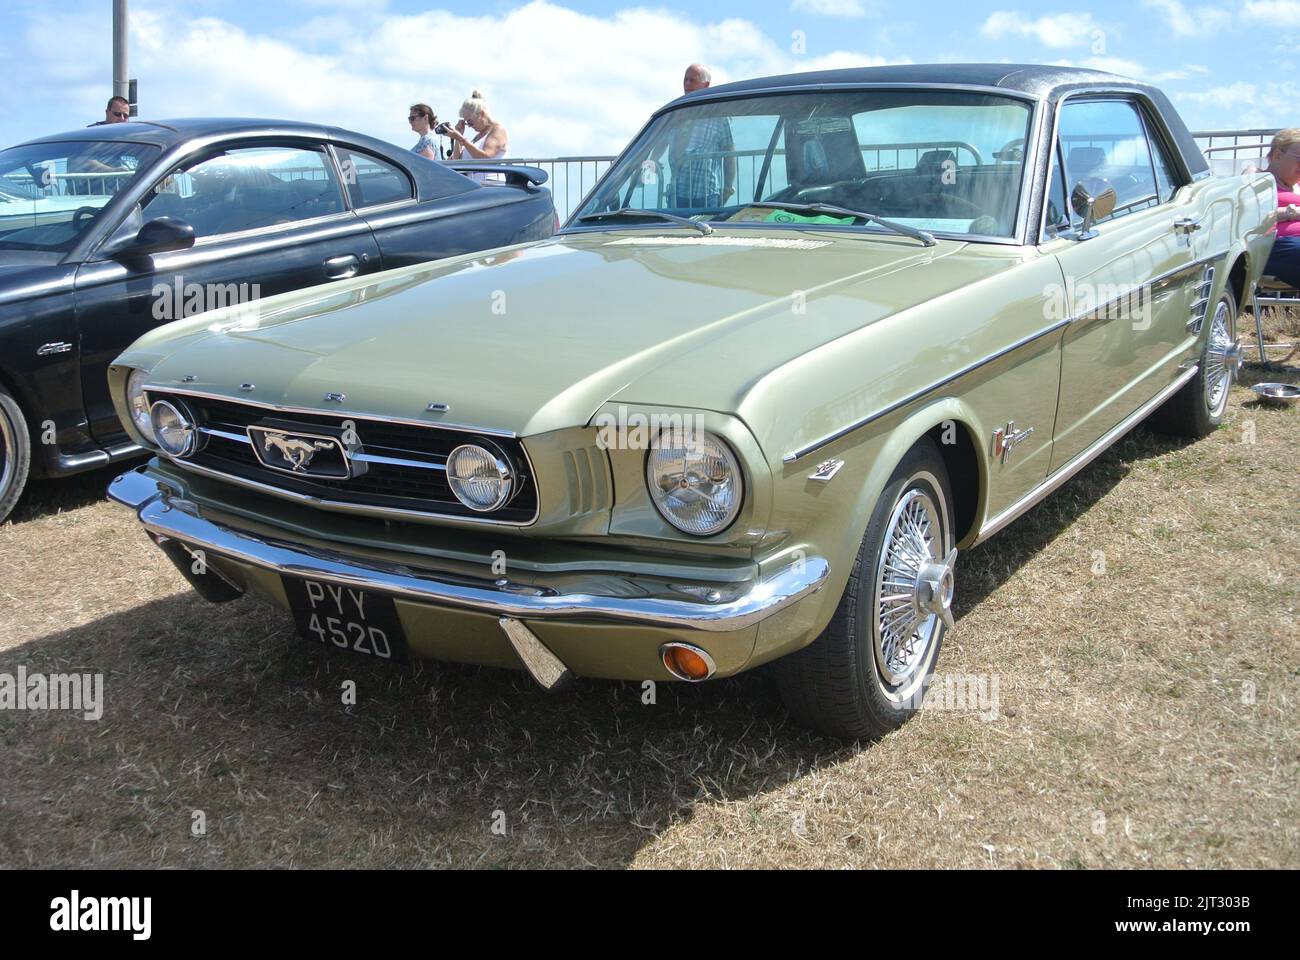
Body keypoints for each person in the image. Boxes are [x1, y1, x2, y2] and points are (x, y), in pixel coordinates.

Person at [668, 63, 736, 208]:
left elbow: (729, 153)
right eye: (685, 79)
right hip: (677, 191)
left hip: (706, 193)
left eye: (692, 80)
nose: (687, 83)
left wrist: (728, 187)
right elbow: (660, 140)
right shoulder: (676, 112)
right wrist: (652, 161)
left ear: (706, 85)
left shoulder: (719, 116)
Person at [1263, 128, 1300, 288]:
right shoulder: (1258, 181)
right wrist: (1289, 213)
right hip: (1275, 245)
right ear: (1278, 155)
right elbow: (1245, 216)